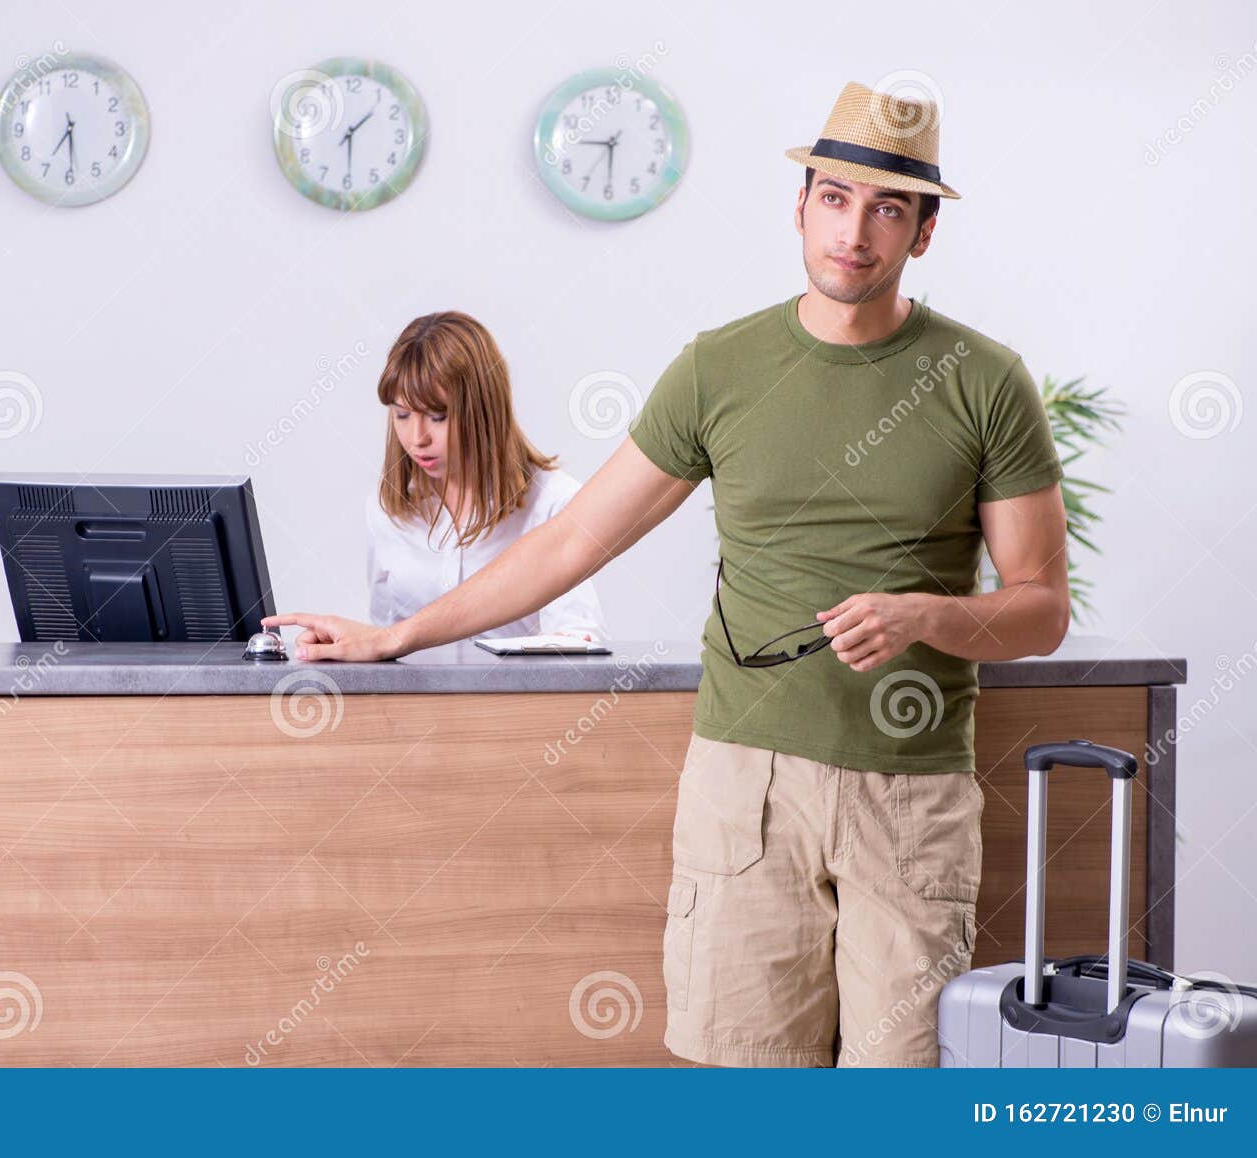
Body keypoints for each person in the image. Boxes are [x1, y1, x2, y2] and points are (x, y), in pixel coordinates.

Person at [264, 80, 1069, 1067]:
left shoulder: (984, 381)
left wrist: (924, 617)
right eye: (834, 198)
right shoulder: (719, 368)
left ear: (924, 232)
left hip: (909, 796)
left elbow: (1040, 609)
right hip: (744, 784)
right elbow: (573, 542)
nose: (854, 231)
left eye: (888, 208)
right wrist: (394, 636)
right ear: (799, 206)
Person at [364, 310, 605, 642]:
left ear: (483, 410)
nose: (417, 438)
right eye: (402, 414)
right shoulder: (387, 510)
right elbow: (382, 637)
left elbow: (577, 636)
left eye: (438, 416)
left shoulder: (552, 502)